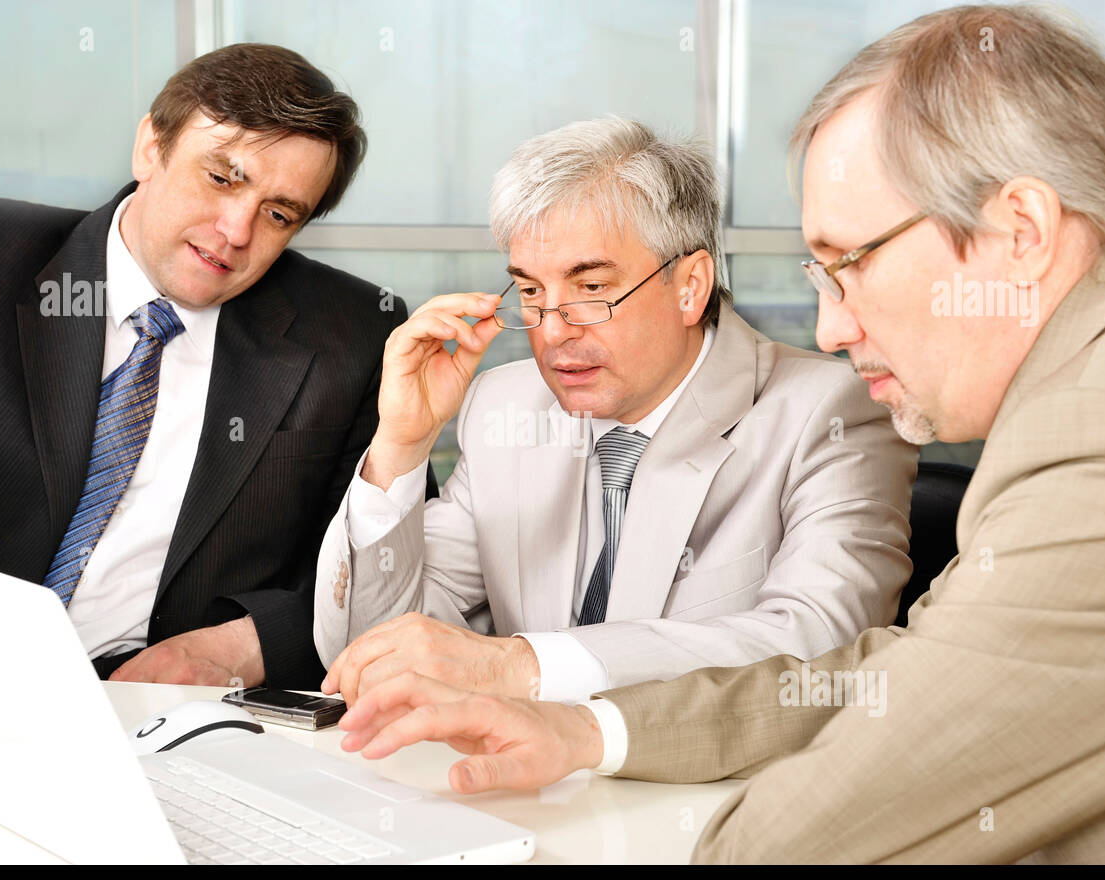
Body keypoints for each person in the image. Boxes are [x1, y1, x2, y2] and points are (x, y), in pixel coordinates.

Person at [330, 4, 1105, 863]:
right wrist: (590, 732)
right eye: (530, 289)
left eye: (850, 262)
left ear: (1020, 233)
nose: (829, 329)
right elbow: (893, 673)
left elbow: (830, 808)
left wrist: (522, 673)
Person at [315, 117, 917, 705]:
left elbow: (822, 648)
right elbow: (367, 652)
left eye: (592, 288)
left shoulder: (829, 413)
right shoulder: (504, 407)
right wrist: (401, 446)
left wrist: (523, 666)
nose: (552, 331)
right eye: (530, 291)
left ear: (690, 285)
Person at [0, 44, 431, 689]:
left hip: (154, 709)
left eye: (279, 214)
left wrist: (240, 648)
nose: (235, 230)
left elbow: (374, 569)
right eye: (222, 178)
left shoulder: (354, 330)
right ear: (152, 146)